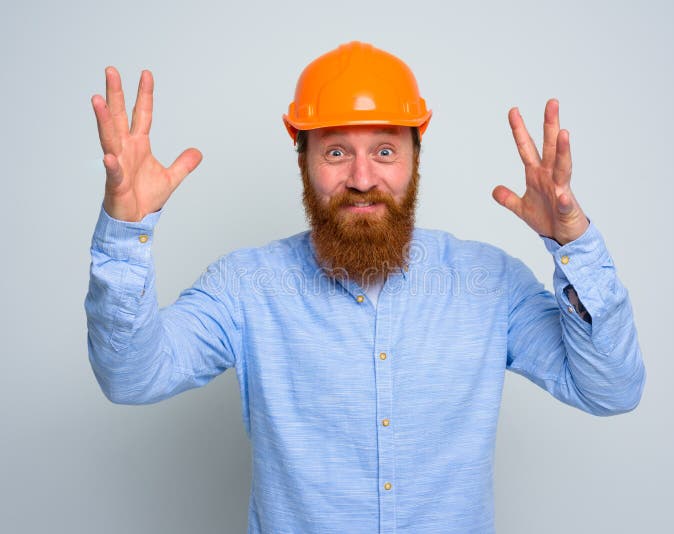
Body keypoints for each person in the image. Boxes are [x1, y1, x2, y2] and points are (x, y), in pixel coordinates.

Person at [86, 41, 645, 534]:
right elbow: (133, 377)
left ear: (414, 160)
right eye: (335, 151)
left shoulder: (490, 284)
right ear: (303, 160)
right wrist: (126, 234)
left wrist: (573, 245)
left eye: (384, 150)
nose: (360, 177)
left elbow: (611, 390)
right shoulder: (244, 286)